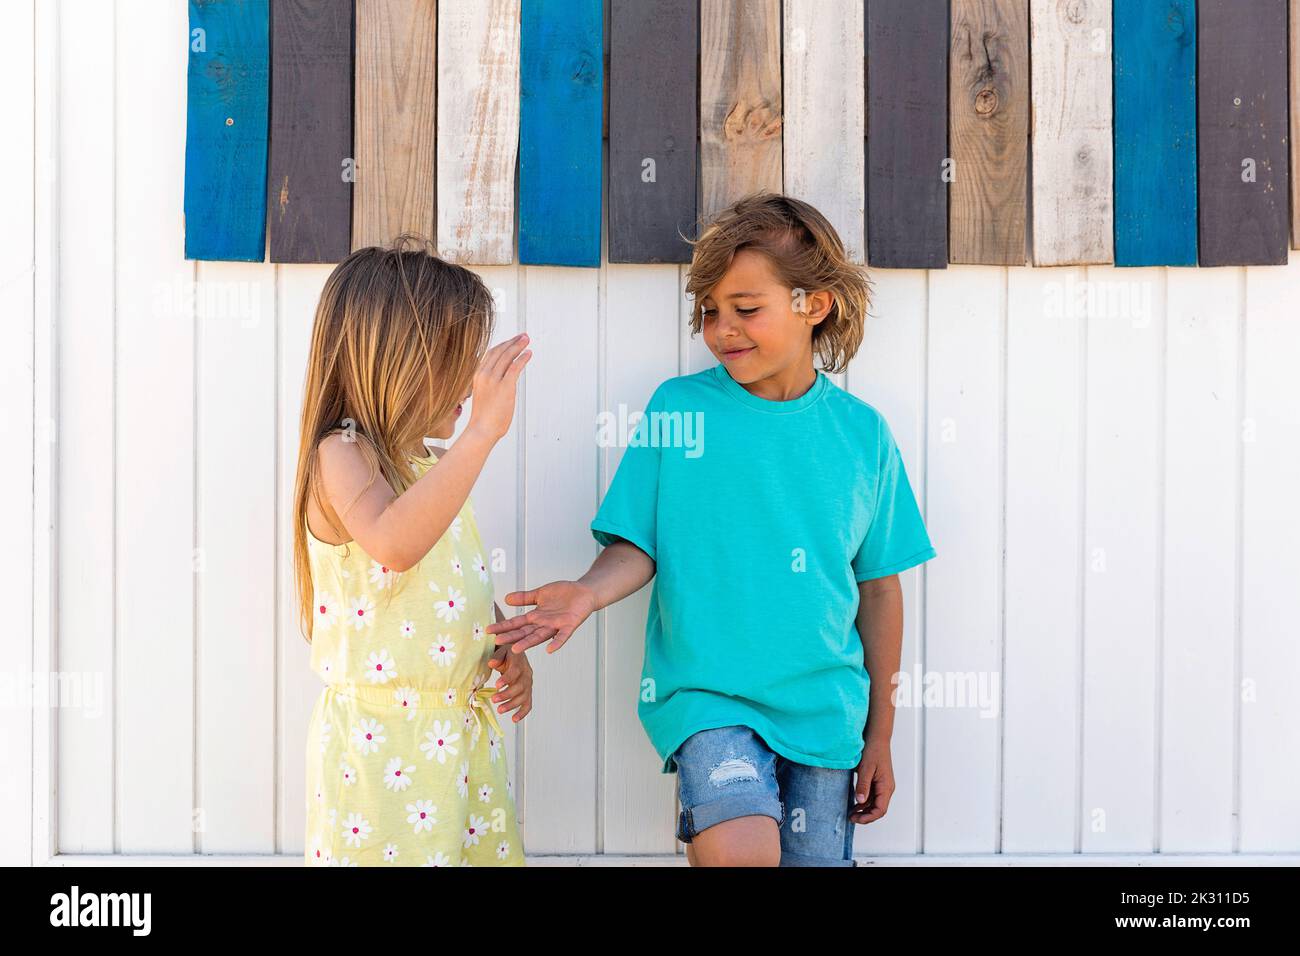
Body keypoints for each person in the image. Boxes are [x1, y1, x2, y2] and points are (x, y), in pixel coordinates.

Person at [487, 193, 936, 866]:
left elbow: (879, 591)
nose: (723, 329)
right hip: (708, 699)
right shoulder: (679, 410)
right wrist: (585, 592)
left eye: (746, 309)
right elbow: (640, 545)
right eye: (710, 313)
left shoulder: (863, 436)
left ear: (813, 305)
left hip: (825, 713)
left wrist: (881, 736)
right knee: (741, 853)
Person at [294, 236, 534, 866]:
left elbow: (443, 592)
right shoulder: (340, 454)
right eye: (458, 359)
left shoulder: (425, 464)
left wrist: (498, 650)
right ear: (400, 359)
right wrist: (482, 431)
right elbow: (396, 546)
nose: (471, 377)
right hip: (381, 754)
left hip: (456, 744)